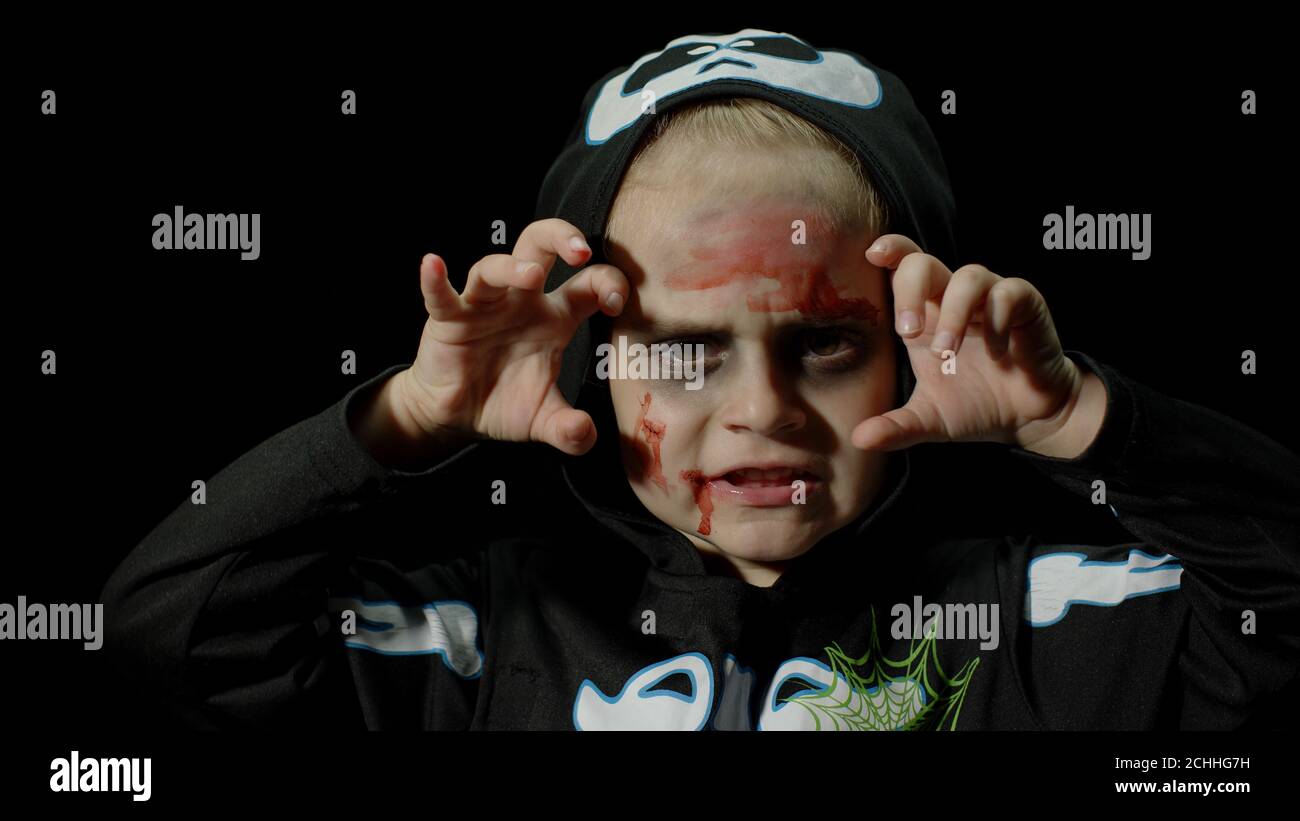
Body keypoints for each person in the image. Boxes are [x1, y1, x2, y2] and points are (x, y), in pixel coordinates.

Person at [101, 29, 1300, 730]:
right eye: (683, 348)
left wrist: (1078, 415)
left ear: (914, 336)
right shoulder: (482, 643)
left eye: (824, 342)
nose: (763, 410)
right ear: (592, 360)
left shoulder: (1048, 627)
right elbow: (163, 632)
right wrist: (407, 419)